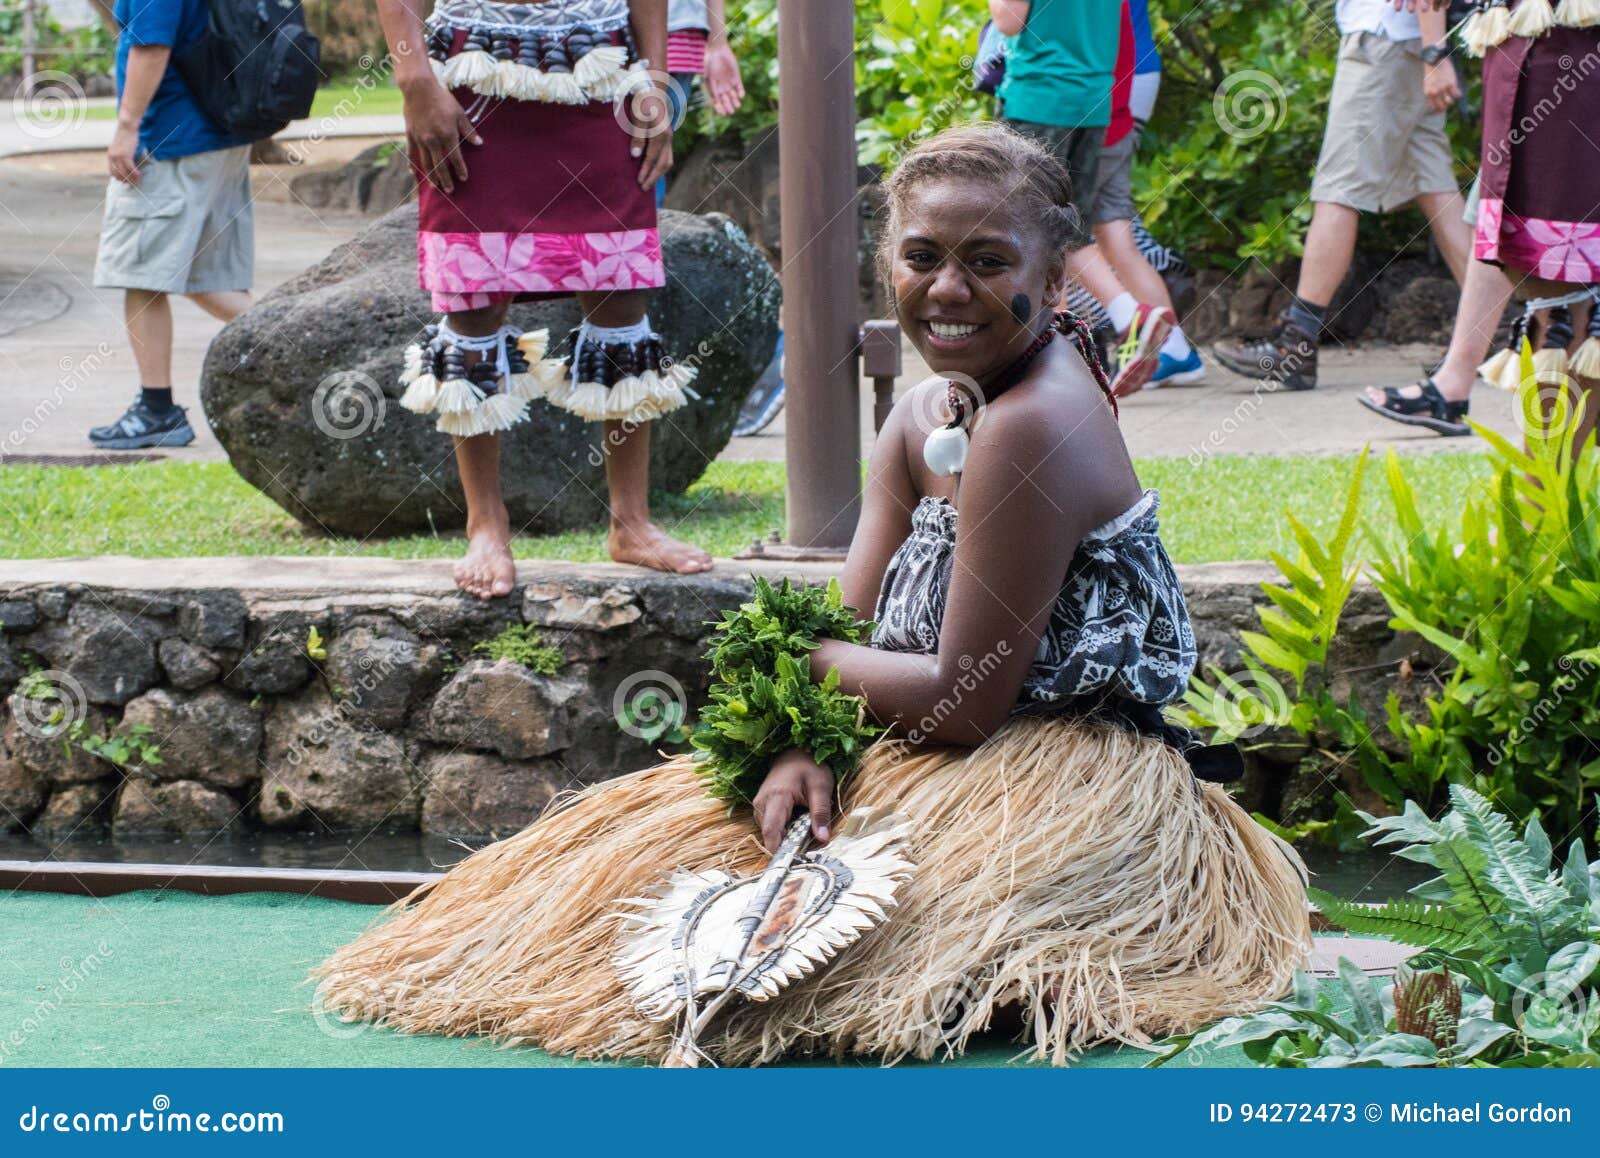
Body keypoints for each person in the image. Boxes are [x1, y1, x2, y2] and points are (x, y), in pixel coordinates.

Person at [314, 123, 1312, 1066]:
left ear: (1054, 282)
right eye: (922, 258)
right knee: (656, 891)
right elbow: (845, 619)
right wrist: (799, 739)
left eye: (989, 262)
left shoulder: (1031, 426)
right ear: (888, 265)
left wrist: (807, 671)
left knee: (828, 970)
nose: (949, 288)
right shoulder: (928, 412)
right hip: (915, 736)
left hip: (1054, 773)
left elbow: (963, 703)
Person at [384, 0, 713, 597]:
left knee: (620, 292)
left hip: (602, 76)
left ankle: (630, 522)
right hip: (472, 82)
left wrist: (656, 83)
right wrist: (414, 80)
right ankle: (486, 523)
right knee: (474, 299)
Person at [1360, 2, 1600, 444]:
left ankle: (1455, 384)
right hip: (1546, 62)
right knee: (1553, 286)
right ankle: (1456, 383)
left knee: (1562, 291)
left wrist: (1434, 50)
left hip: (1564, 62)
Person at [1213, 0, 1472, 392]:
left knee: (1338, 190)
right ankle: (1496, 330)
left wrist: (1434, 51)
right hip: (1403, 42)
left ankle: (1294, 345)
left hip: (1383, 40)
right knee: (1434, 187)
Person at [88, 0, 255, 449]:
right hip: (219, 131)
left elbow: (151, 45)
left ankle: (156, 409)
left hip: (170, 138)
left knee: (142, 275)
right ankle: (305, 342)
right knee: (204, 274)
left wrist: (127, 128)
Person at [989, 0, 1177, 397]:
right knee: (1067, 233)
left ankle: (1129, 316)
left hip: (1040, 98)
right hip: (1093, 101)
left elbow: (1008, 21)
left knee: (1038, 233)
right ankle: (1059, 355)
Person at [1085, 0, 1205, 388]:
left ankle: (1123, 330)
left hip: (1103, 76)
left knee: (1060, 227)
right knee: (1110, 227)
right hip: (1125, 70)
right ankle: (1172, 350)